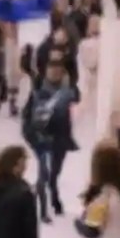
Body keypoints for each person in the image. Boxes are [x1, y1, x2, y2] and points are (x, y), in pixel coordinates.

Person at [23, 57, 78, 223]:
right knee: (44, 174)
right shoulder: (37, 91)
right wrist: (32, 136)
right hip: (42, 139)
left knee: (54, 174)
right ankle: (44, 210)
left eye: (58, 71)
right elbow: (27, 116)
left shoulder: (67, 92)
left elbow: (70, 114)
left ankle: (53, 197)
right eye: (51, 70)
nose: (54, 74)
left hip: (60, 140)